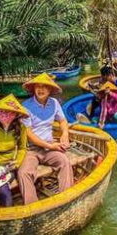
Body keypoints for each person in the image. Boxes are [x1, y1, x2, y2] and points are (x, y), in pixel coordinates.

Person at [18, 73, 73, 204]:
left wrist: (65, 134)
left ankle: (66, 199)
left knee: (64, 162)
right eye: (38, 86)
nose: (41, 89)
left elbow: (63, 120)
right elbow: (29, 134)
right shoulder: (26, 106)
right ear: (34, 89)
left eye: (44, 87)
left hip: (50, 146)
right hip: (31, 149)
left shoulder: (54, 103)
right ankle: (33, 207)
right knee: (23, 173)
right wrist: (51, 146)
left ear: (49, 90)